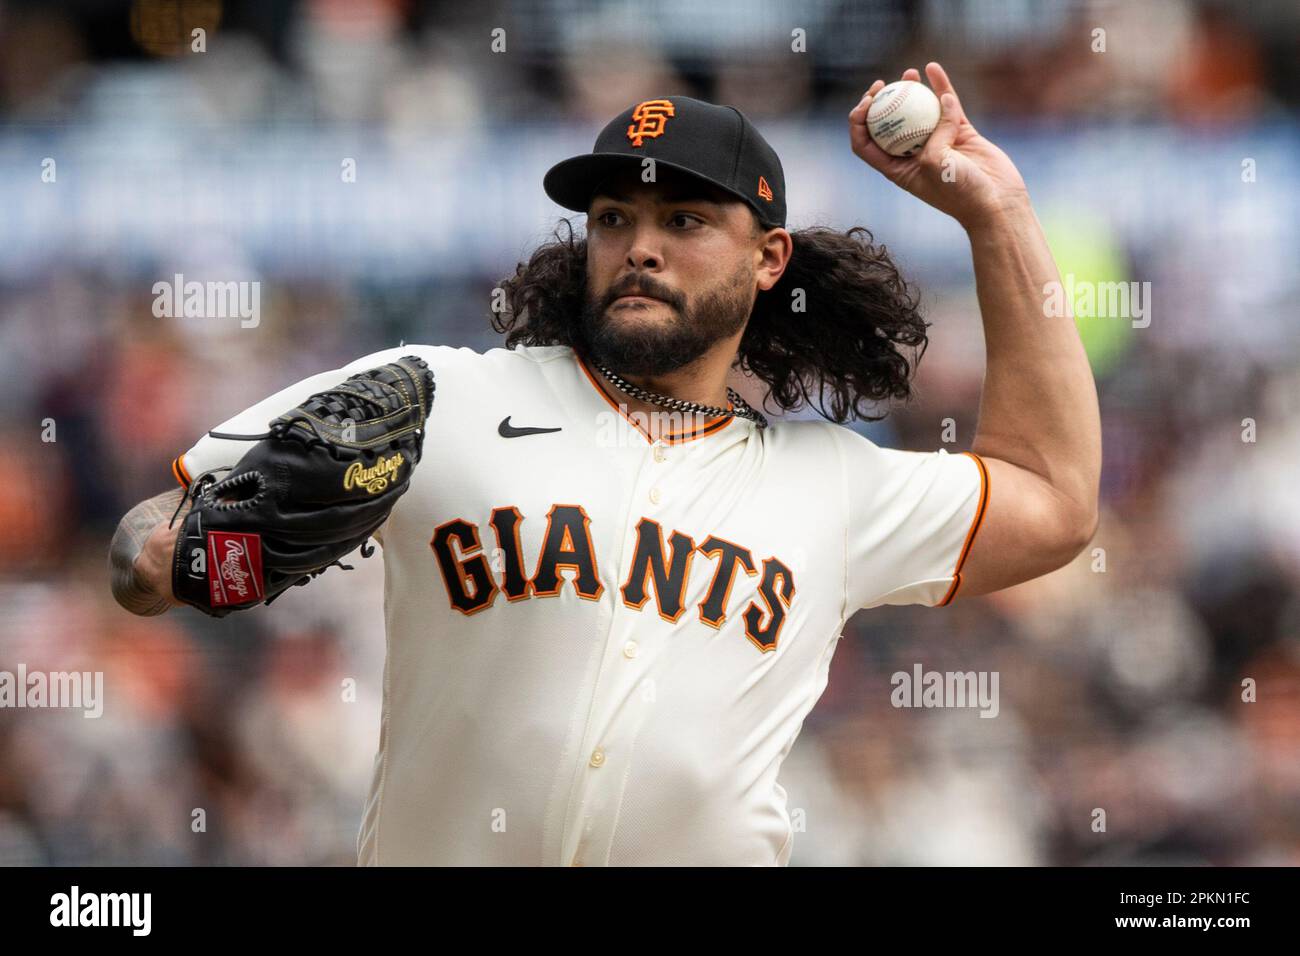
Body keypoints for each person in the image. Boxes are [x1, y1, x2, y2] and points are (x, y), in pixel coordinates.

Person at [109, 63, 1100, 866]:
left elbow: (1054, 497)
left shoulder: (829, 485)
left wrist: (996, 213)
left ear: (768, 258)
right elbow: (145, 550)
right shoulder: (440, 396)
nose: (640, 246)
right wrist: (199, 556)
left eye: (684, 221)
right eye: (615, 218)